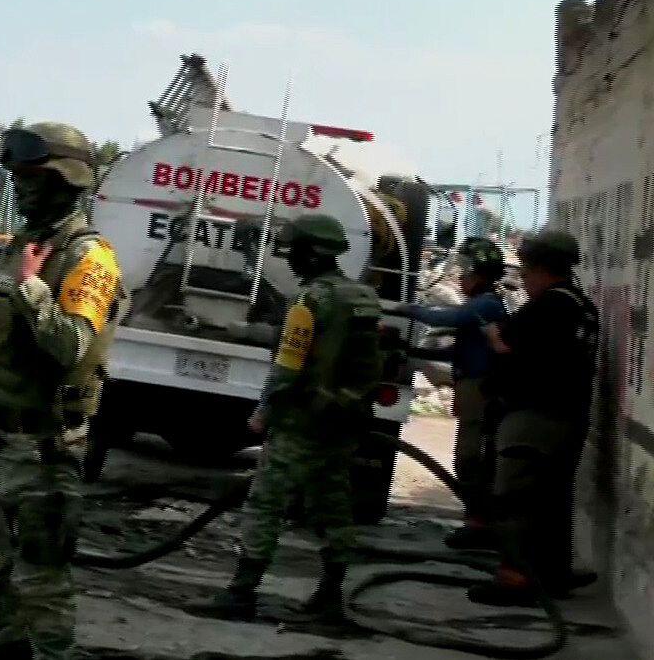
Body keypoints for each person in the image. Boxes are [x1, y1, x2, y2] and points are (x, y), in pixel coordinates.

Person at [0, 122, 123, 660]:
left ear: (70, 180)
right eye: (16, 175)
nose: (21, 186)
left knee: (42, 582)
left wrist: (27, 285)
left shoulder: (89, 259)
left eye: (34, 175)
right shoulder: (25, 246)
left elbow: (69, 346)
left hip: (44, 449)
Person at [216, 214, 383, 622]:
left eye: (293, 252)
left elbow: (288, 367)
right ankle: (330, 595)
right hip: (342, 422)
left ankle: (241, 594)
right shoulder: (362, 296)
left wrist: (262, 413)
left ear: (310, 254)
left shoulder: (309, 301)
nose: (289, 260)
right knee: (332, 506)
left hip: (301, 422)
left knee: (266, 503)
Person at [469, 228, 599, 606]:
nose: (523, 279)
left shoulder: (547, 307)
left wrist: (492, 335)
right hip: (568, 418)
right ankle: (551, 576)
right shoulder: (583, 306)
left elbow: (509, 346)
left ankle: (516, 579)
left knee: (517, 498)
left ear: (541, 267)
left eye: (526, 272)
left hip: (532, 418)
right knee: (552, 501)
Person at [391, 237, 508, 549]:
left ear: (480, 274)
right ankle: (477, 520)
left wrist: (406, 308)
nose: (460, 278)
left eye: (465, 272)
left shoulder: (485, 305)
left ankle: (479, 523)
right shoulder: (482, 305)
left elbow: (447, 318)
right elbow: (462, 350)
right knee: (468, 456)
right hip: (469, 386)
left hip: (478, 388)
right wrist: (414, 350)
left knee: (472, 458)